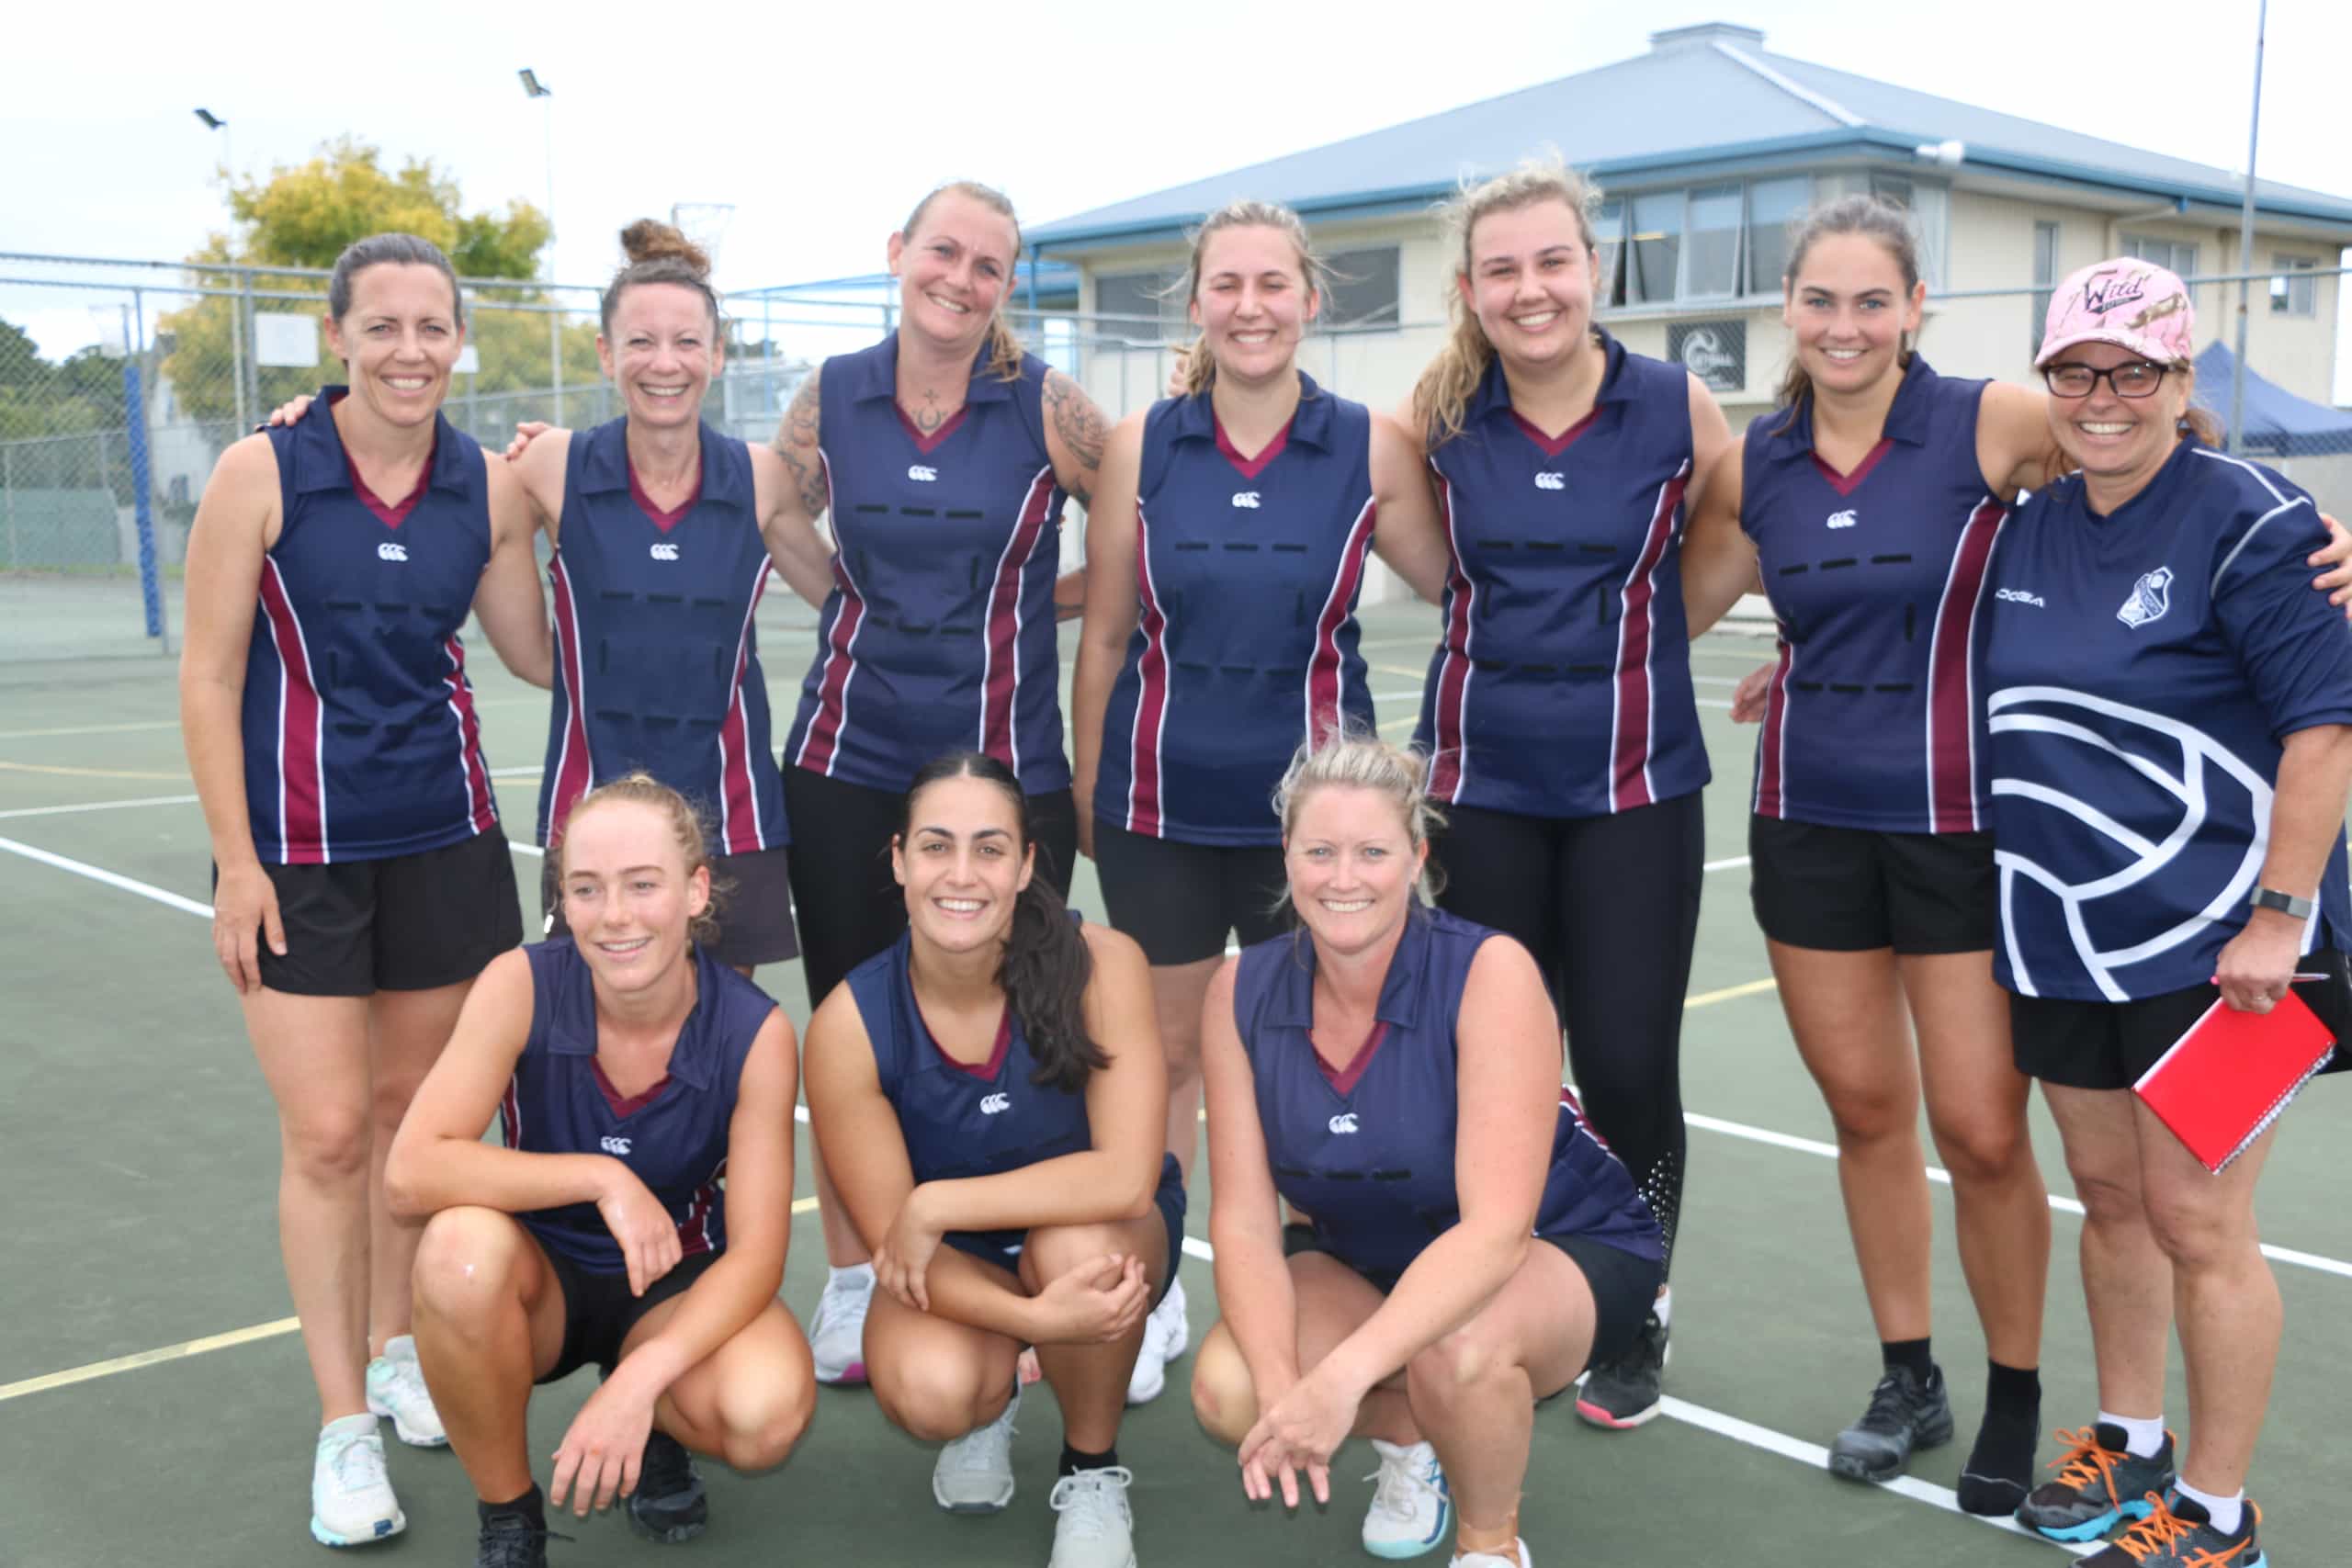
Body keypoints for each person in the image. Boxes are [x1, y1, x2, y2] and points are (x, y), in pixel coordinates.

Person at [1672, 195, 2060, 1507]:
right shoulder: (1754, 463)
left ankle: (2017, 1392)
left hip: (1960, 827)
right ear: (1788, 308)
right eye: (1820, 301)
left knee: (1983, 1130)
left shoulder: (1993, 421)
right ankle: (1911, 1376)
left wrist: (2302, 540)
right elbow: (1663, 610)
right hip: (1808, 822)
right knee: (1864, 1110)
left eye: (1871, 301)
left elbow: (2157, 466)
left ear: (1914, 308)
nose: (1844, 326)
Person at [177, 231, 552, 1546]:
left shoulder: (484, 486)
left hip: (447, 838)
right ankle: (343, 1425)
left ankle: (398, 1353)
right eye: (381, 325)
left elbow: (534, 653)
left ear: (461, 341)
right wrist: (235, 862)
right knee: (333, 1136)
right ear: (337, 336)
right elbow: (209, 674)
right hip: (296, 854)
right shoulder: (262, 470)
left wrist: (573, 489)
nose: (409, 349)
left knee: (411, 1125)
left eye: (431, 326)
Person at [1977, 258, 2352, 1568]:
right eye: (2076, 371)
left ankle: (2216, 1512)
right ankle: (2129, 1439)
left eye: (2133, 371)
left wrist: (2281, 917)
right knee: (2108, 1194)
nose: (2102, 397)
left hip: (2228, 952)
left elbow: (2324, 731)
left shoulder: (2256, 520)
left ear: (2181, 379)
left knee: (2199, 1220)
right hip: (2063, 931)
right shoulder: (2027, 524)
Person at [1375, 155, 1736, 1431]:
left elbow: (1733, 546)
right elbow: (1437, 574)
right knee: (1493, 1062)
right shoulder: (1437, 419)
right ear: (1470, 288)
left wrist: (1633, 652)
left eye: (1552, 261)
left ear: (1595, 267)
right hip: (1481, 789)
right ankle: (1497, 1279)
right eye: (1502, 269)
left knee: (1628, 1059)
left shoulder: (1675, 404)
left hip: (1635, 787)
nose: (1530, 290)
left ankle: (1637, 1297)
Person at [1070, 197, 1442, 1406]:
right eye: (1225, 285)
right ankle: (1159, 1287)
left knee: (1329, 1064)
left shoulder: (1369, 445)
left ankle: (1342, 1297)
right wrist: (1088, 786)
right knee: (1169, 1059)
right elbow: (1107, 632)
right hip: (1164, 804)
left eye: (1272, 283)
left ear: (1309, 299)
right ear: (1194, 304)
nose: (1249, 306)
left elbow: (1471, 592)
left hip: (1322, 829)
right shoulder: (1143, 446)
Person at [273, 220, 839, 976]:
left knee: (722, 1029)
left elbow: (851, 604)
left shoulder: (760, 477)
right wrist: (319, 421)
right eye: (640, 342)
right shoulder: (548, 466)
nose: (664, 363)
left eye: (686, 342)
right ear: (605, 354)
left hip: (732, 815)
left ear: (717, 354)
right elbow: (433, 487)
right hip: (589, 815)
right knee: (595, 1029)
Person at [769, 182, 1114, 1384]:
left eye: (988, 266)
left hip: (1003, 773)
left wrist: (1038, 601)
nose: (960, 280)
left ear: (1007, 286)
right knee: (852, 1031)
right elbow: (773, 508)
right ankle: (856, 1276)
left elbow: (1137, 520)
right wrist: (848, 602)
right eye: (943, 252)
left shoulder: (1048, 407)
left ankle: (1030, 1274)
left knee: (1024, 1030)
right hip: (846, 760)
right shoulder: (830, 396)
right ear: (897, 253)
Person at [1189, 733, 1662, 1568]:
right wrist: (1285, 1393)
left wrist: (1338, 1380)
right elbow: (1245, 1223)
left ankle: (1491, 1545)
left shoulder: (1489, 972)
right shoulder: (1239, 991)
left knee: (1459, 1348)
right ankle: (1416, 1431)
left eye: (1372, 852)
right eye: (1320, 851)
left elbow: (1495, 1233)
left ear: (1416, 859)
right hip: (1369, 1253)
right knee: (1230, 1390)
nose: (1344, 877)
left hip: (1554, 1245)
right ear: (1287, 856)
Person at [385, 772, 812, 1568]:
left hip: (671, 1281)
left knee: (767, 1413)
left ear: (695, 890)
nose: (614, 914)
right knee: (455, 1254)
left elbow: (757, 1256)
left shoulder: (754, 1032)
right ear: (564, 899)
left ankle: (654, 1422)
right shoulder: (521, 983)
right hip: (540, 1278)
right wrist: (601, 1178)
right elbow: (410, 1171)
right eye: (586, 888)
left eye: (642, 884)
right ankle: (510, 1518)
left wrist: (638, 1381)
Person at [800, 750, 1185, 1568]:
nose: (961, 874)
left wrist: (937, 1203)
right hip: (956, 1260)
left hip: (1098, 1229)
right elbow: (898, 1249)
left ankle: (1090, 1468)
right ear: (899, 860)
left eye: (990, 847)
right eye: (936, 845)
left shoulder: (1102, 964)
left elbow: (1125, 1177)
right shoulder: (848, 1024)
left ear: (1027, 864)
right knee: (930, 1390)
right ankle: (997, 1391)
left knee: (1081, 1252)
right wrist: (1035, 1325)